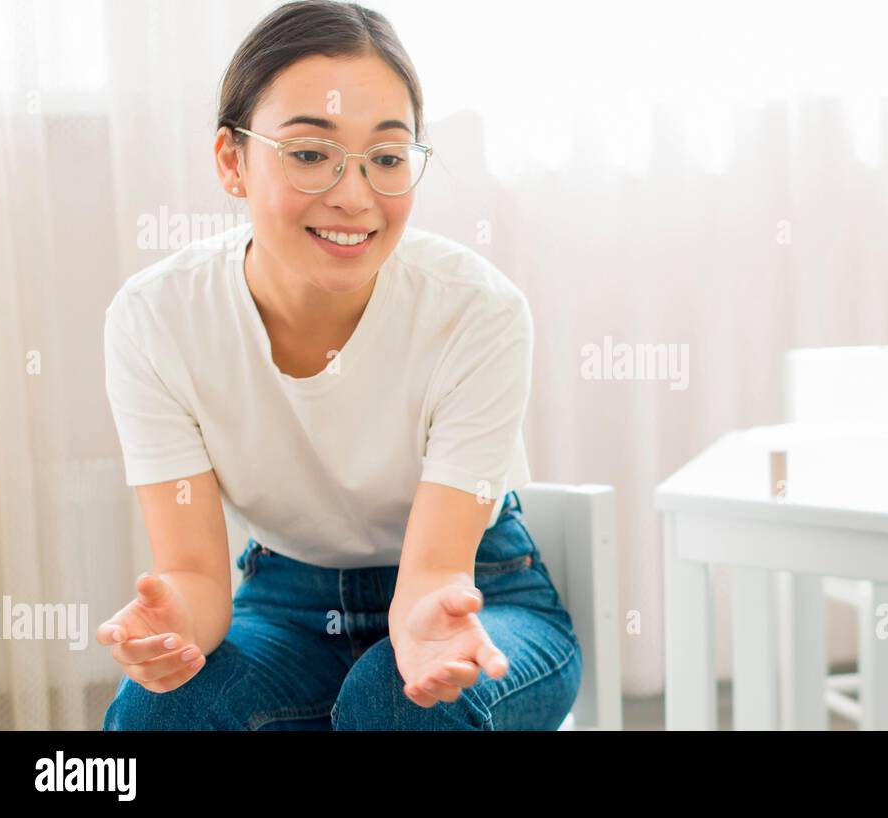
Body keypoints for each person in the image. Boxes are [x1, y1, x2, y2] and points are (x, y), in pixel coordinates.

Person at [99, 0, 581, 730]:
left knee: (396, 704)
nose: (354, 196)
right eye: (310, 154)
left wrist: (422, 624)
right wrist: (170, 636)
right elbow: (195, 575)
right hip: (288, 602)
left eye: (387, 158)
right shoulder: (155, 318)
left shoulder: (478, 311)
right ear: (233, 160)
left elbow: (434, 575)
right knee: (158, 714)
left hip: (480, 591)